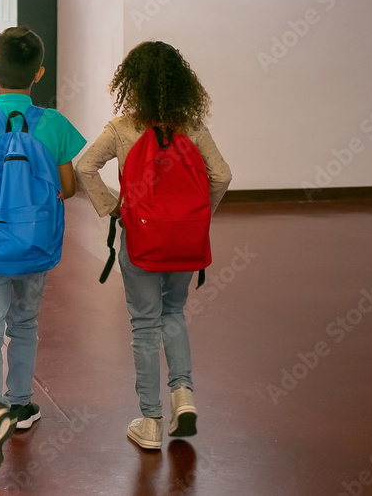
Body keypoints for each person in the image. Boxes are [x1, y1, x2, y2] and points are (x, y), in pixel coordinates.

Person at [75, 40, 232, 450]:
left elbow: (85, 167)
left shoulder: (122, 128)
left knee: (144, 324)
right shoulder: (193, 127)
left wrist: (113, 209)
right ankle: (183, 395)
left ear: (133, 83)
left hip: (141, 240)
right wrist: (197, 218)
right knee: (174, 312)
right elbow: (222, 175)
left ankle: (151, 421)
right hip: (183, 241)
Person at [0, 27, 86, 477]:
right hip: (36, 246)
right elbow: (68, 186)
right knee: (24, 323)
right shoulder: (55, 123)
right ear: (39, 73)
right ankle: (22, 405)